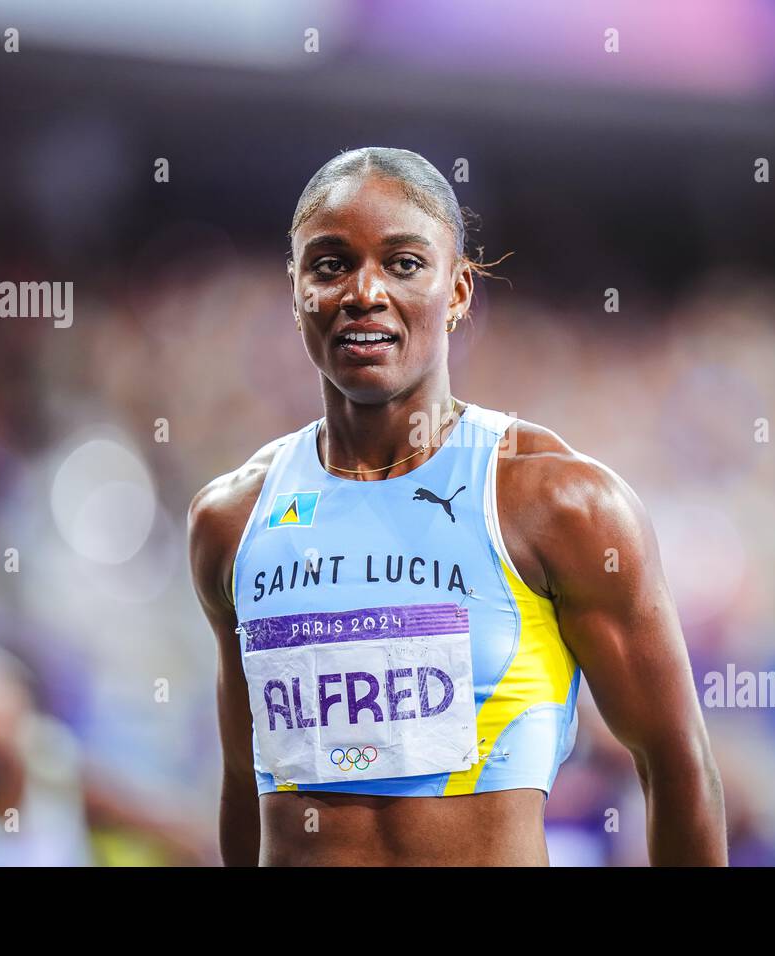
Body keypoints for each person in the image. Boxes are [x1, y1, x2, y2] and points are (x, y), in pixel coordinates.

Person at [188, 147, 726, 866]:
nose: (364, 292)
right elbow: (241, 783)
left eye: (405, 263)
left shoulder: (558, 504)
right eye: (330, 264)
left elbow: (676, 762)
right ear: (296, 291)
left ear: (461, 290)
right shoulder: (231, 521)